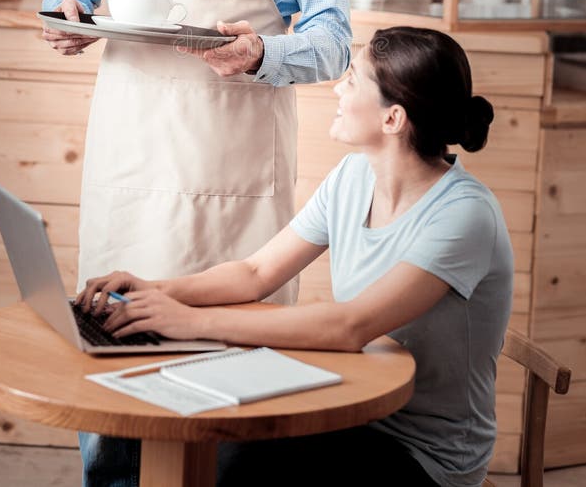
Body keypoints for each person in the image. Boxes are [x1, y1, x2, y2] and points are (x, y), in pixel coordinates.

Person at [42, 0, 351, 485]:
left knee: (242, 390)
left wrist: (262, 52)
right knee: (114, 365)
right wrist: (68, 19)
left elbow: (333, 38)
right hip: (132, 160)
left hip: (238, 169)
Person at [80, 26, 515, 487]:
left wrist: (186, 321)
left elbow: (349, 327)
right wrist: (156, 290)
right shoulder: (353, 177)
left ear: (393, 119)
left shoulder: (464, 215)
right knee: (160, 421)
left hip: (423, 455)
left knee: (236, 462)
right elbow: (255, 272)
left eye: (353, 79)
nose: (337, 87)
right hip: (350, 406)